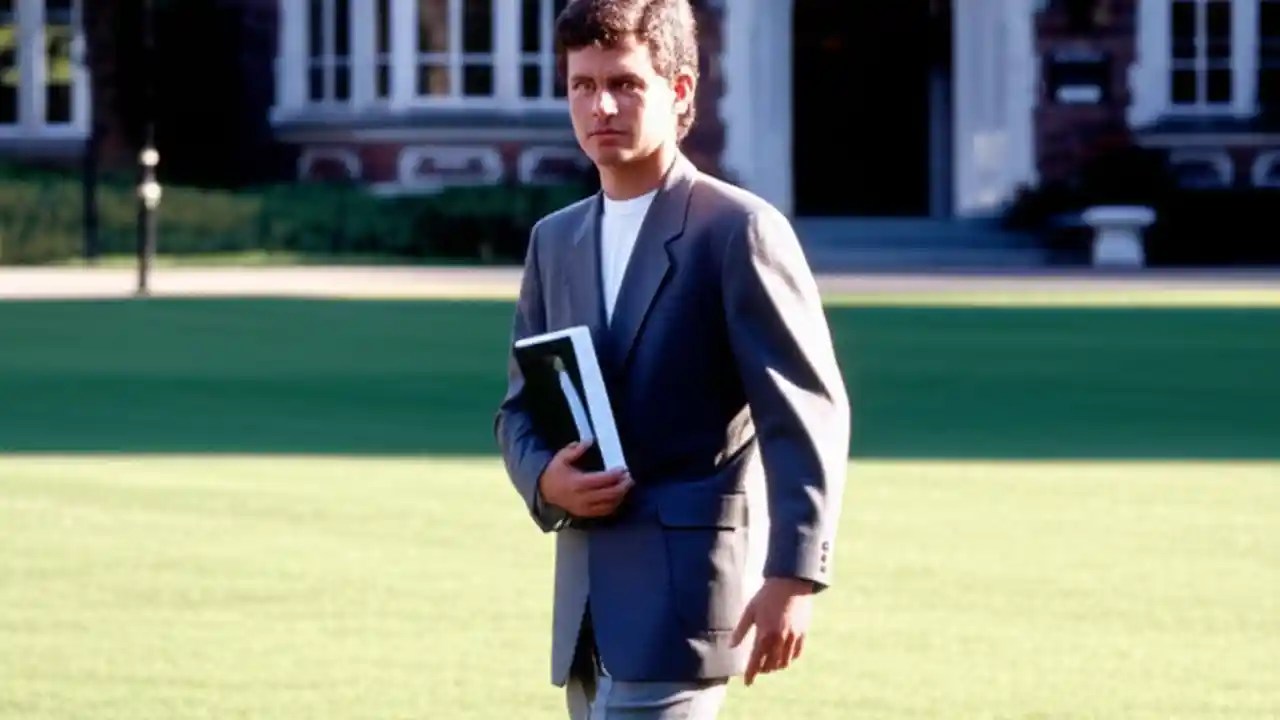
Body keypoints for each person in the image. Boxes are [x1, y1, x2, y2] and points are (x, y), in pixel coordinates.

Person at [494, 0, 851, 717]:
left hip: (686, 605)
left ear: (680, 91)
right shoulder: (554, 241)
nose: (601, 104)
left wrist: (794, 576)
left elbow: (807, 414)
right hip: (585, 619)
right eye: (581, 85)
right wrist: (544, 481)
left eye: (625, 83)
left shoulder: (740, 231)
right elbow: (518, 410)